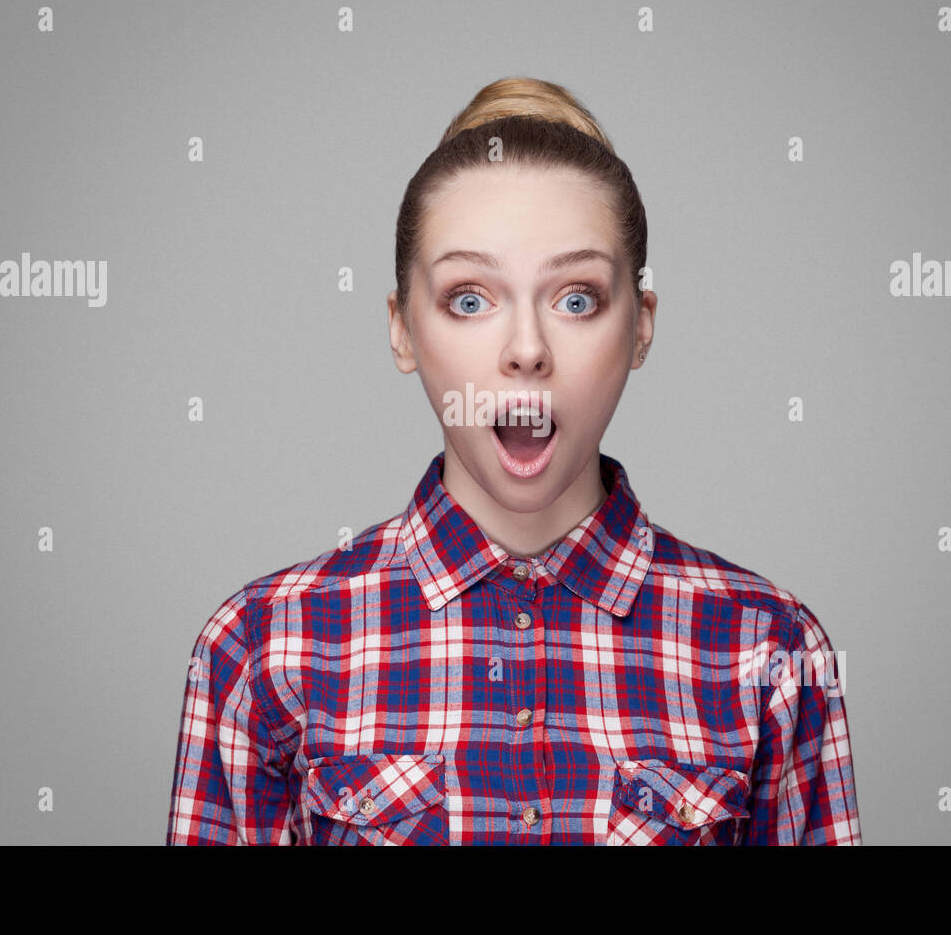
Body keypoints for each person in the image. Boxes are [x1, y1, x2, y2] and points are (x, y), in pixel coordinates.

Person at [166, 77, 861, 845]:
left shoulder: (769, 648)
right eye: (469, 298)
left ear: (641, 326)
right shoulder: (261, 647)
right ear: (402, 329)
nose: (526, 350)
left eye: (576, 299)